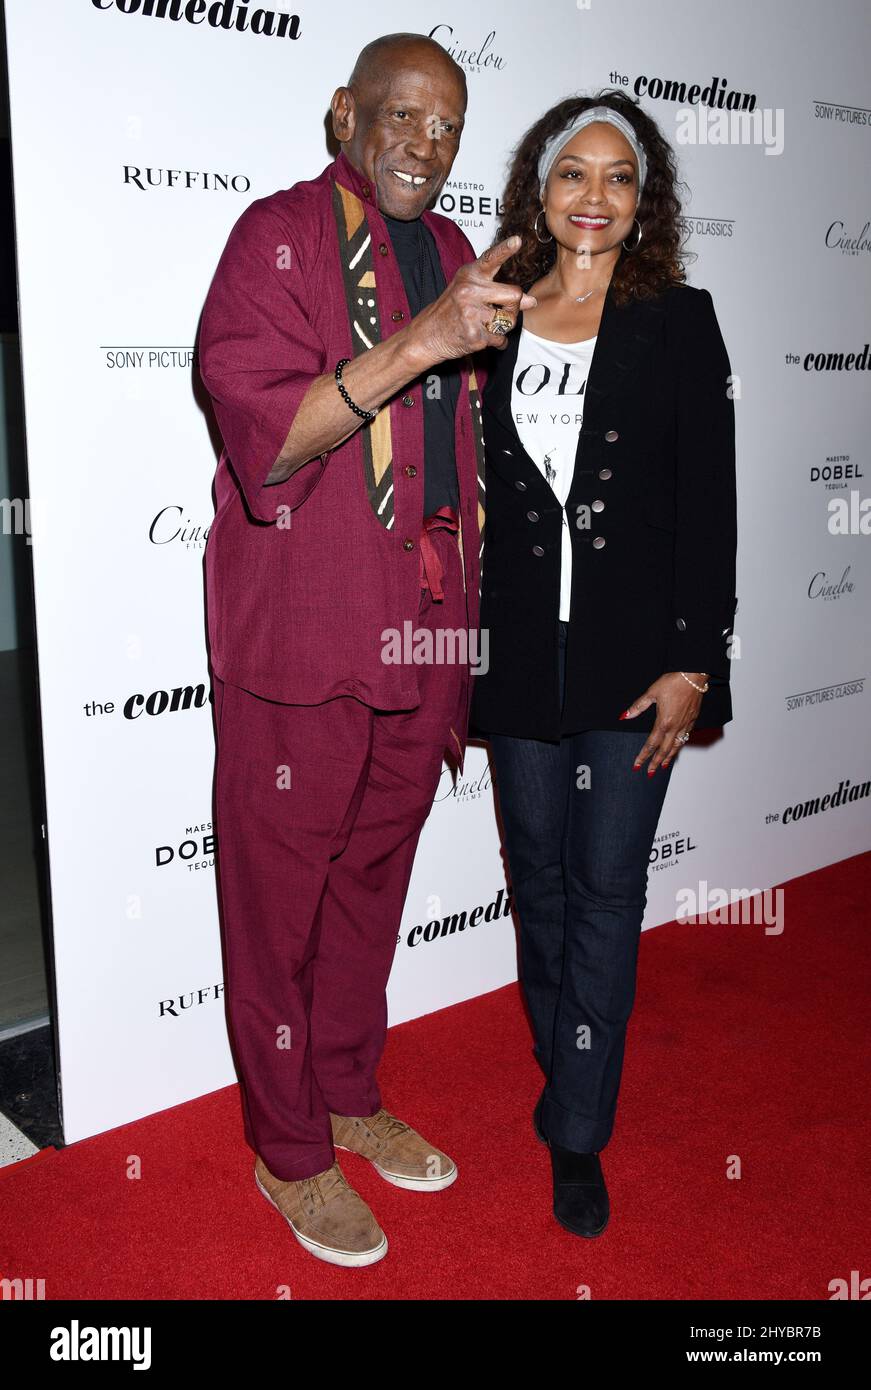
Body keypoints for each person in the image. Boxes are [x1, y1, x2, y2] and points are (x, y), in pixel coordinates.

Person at [197, 32, 531, 1268]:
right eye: (399, 113)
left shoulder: (450, 250)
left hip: (423, 629)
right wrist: (428, 340)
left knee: (370, 887)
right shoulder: (271, 239)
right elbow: (270, 440)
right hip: (304, 623)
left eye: (445, 126)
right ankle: (288, 1151)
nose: (422, 142)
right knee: (276, 904)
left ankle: (346, 1089)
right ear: (344, 113)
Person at [470, 91, 738, 1238]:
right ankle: (564, 1049)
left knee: (607, 887)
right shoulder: (487, 314)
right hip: (524, 657)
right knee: (536, 877)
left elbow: (707, 501)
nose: (593, 196)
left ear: (645, 200)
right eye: (571, 174)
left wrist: (696, 660)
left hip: (635, 666)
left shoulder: (678, 320)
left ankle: (576, 1128)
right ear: (541, 188)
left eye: (617, 177)